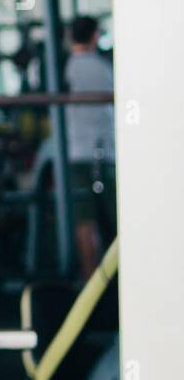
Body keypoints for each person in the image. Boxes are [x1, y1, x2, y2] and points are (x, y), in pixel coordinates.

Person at [64, 15, 116, 280]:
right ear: (95, 36)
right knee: (118, 222)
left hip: (78, 154)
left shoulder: (65, 68)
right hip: (107, 153)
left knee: (85, 222)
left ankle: (90, 282)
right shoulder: (106, 68)